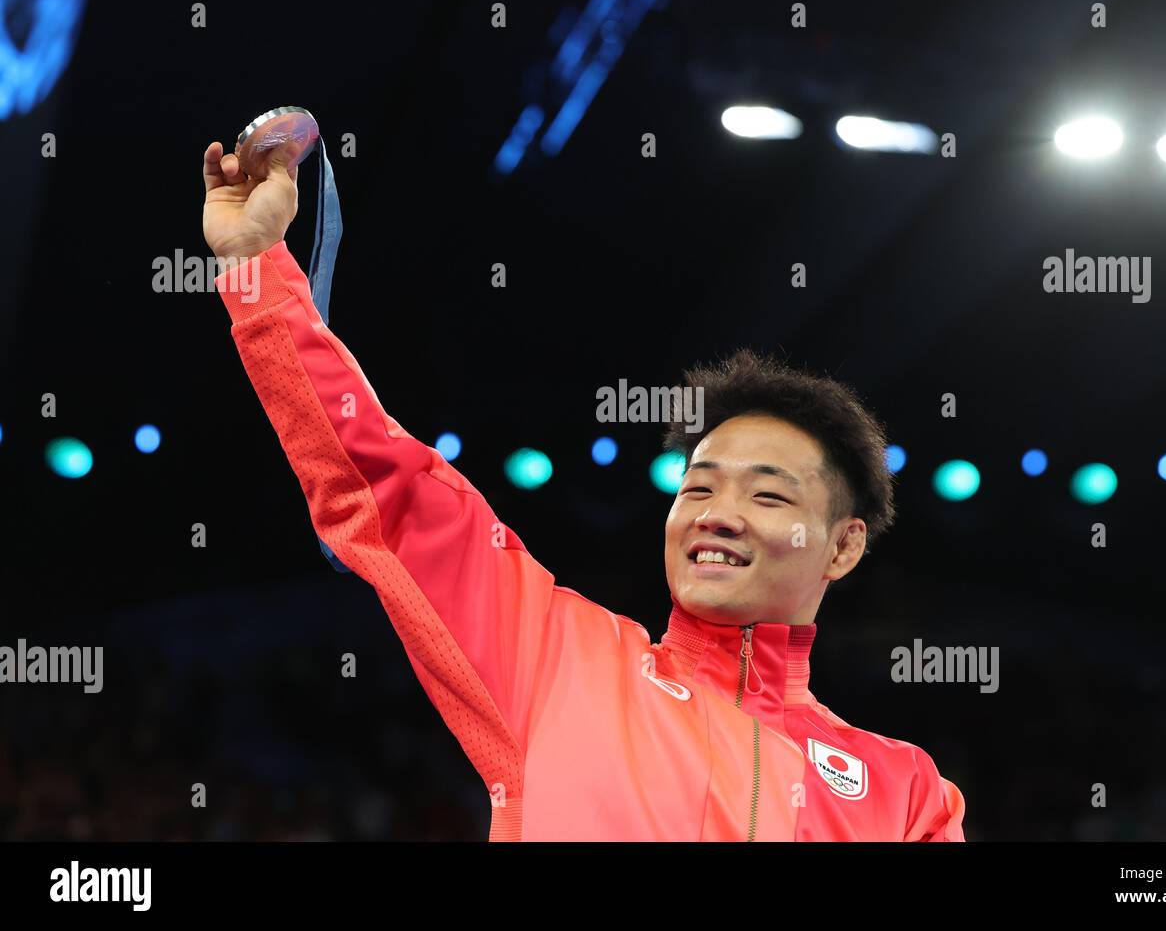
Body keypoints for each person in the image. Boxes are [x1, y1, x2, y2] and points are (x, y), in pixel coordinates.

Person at [200, 140, 966, 841]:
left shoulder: (908, 793)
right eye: (697, 490)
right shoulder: (559, 656)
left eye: (768, 498)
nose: (718, 517)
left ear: (843, 545)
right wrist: (257, 268)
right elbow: (390, 487)